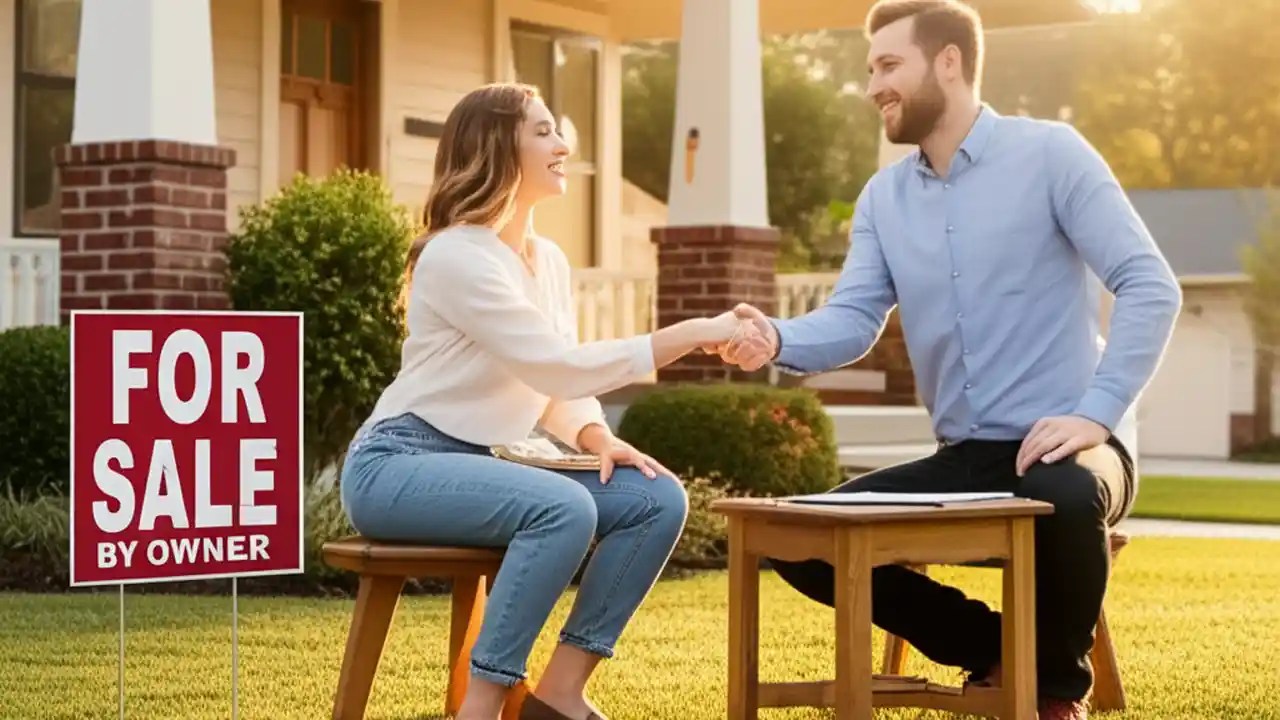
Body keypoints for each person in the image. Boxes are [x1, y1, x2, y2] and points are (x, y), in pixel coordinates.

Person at [716, 1, 1182, 718]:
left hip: (1074, 447)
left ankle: (1055, 693)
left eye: (888, 65)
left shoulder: (1051, 154)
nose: (873, 85)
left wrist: (1096, 414)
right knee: (802, 539)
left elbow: (1151, 285)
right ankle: (998, 647)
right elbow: (854, 319)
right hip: (964, 456)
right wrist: (777, 339)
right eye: (871, 69)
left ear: (950, 62)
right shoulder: (884, 199)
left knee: (1059, 497)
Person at [340, 83, 755, 720]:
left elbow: (554, 384)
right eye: (542, 131)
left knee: (654, 496)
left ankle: (559, 696)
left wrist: (598, 439)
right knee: (561, 507)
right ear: (495, 148)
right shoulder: (455, 255)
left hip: (486, 461)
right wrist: (692, 334)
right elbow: (554, 364)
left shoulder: (549, 261)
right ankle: (479, 708)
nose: (562, 145)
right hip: (397, 464)